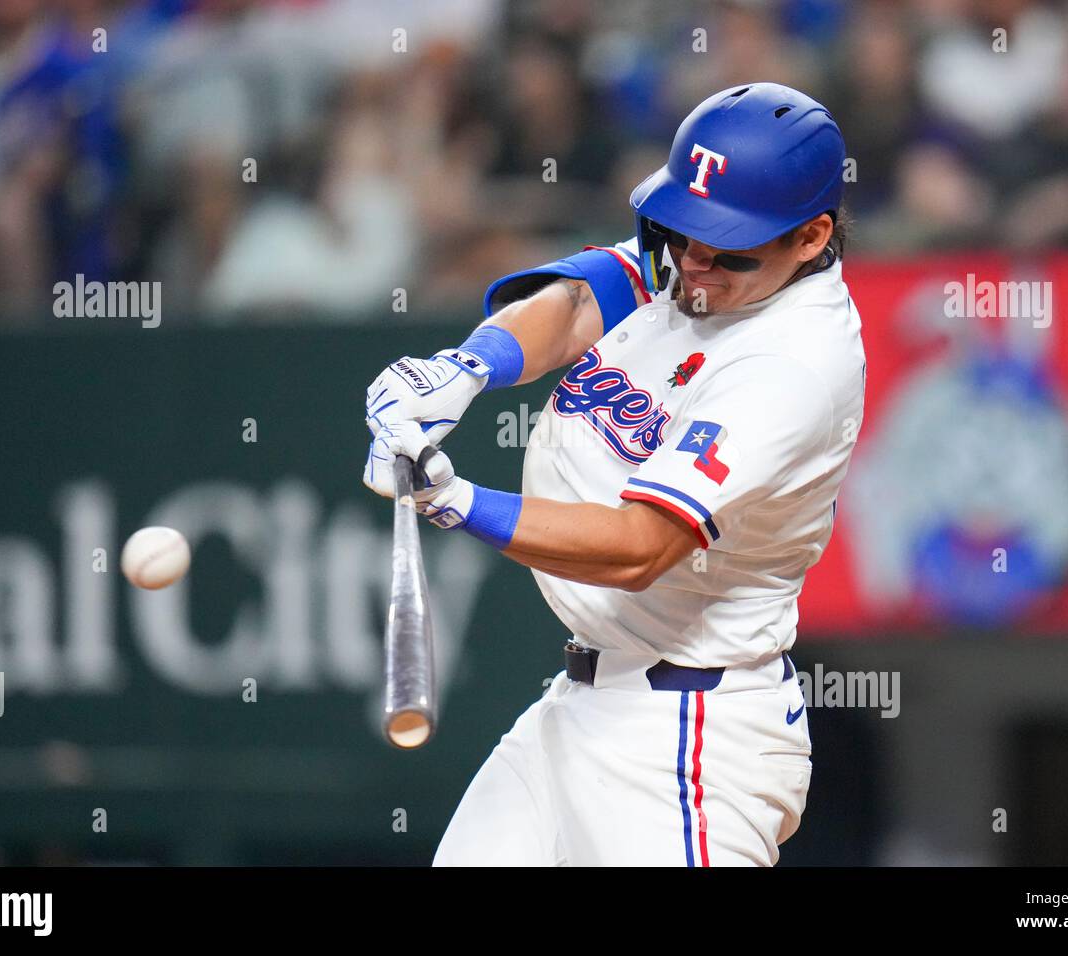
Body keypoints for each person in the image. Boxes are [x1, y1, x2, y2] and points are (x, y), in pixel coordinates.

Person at [362, 82, 866, 866]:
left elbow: (639, 548)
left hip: (689, 740)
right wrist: (467, 368)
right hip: (579, 706)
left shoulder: (795, 363)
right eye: (684, 235)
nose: (694, 265)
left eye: (727, 246)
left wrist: (454, 500)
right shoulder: (717, 261)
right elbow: (576, 302)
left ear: (811, 237)